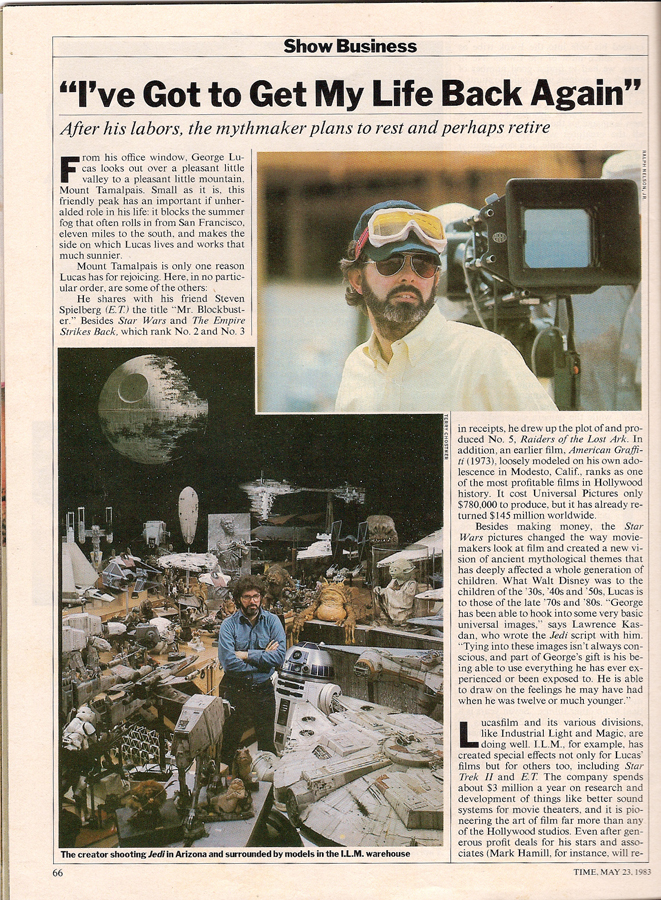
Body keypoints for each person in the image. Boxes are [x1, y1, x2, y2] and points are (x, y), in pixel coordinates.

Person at [335, 200, 557, 412]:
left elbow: (554, 438)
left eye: (423, 265)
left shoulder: (488, 358)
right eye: (391, 264)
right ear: (357, 279)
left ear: (436, 279)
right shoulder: (357, 367)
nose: (409, 276)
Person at [217, 574, 286, 765]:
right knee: (228, 746)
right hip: (236, 691)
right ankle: (226, 780)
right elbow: (229, 663)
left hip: (263, 691)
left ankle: (266, 781)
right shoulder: (228, 625)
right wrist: (263, 658)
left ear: (261, 596)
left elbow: (279, 657)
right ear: (239, 599)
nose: (252, 601)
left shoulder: (272, 622)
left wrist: (246, 655)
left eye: (256, 596)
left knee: (267, 746)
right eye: (247, 597)